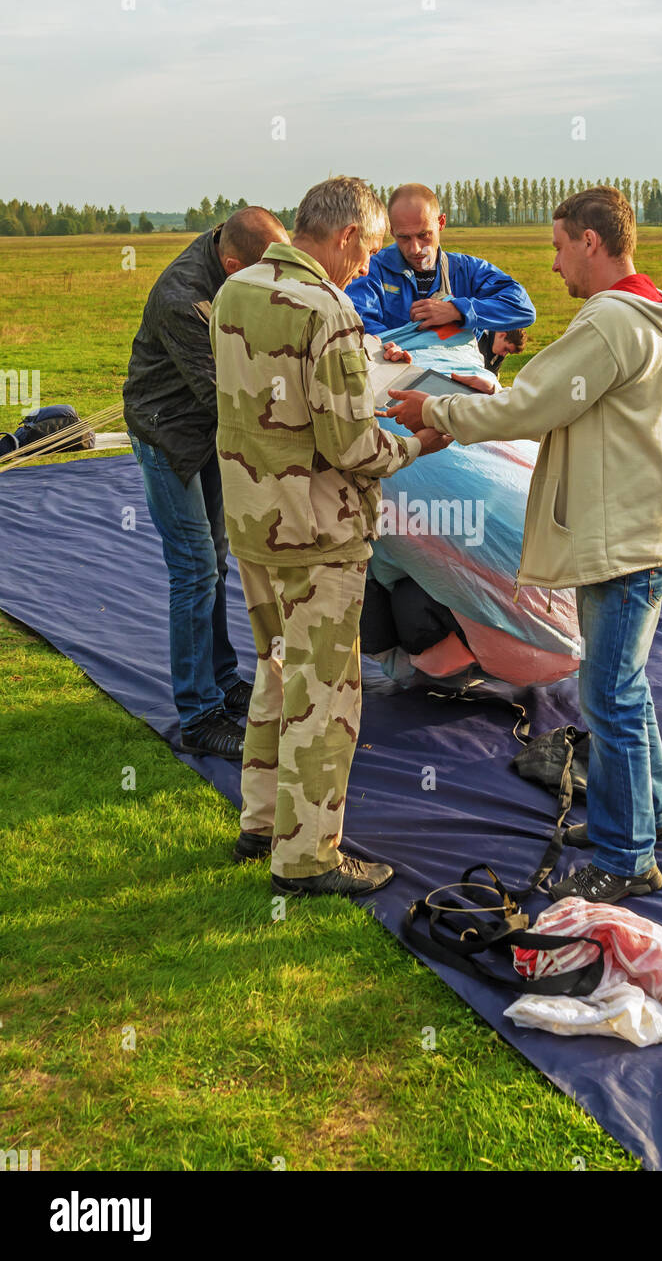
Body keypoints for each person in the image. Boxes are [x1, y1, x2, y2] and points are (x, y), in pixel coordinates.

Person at [386, 186, 662, 905]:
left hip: (627, 542)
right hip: (650, 529)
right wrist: (486, 387)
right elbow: (560, 400)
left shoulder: (610, 322)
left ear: (591, 242)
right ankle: (646, 815)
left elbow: (533, 407)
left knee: (609, 695)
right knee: (627, 684)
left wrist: (435, 409)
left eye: (558, 247)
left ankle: (626, 858)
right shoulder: (644, 319)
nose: (553, 265)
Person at [209, 176, 450, 899]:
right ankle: (308, 856)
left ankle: (261, 822)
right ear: (346, 236)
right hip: (318, 533)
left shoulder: (237, 290)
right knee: (327, 696)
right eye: (370, 249)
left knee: (275, 673)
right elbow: (352, 447)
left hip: (253, 523)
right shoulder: (330, 312)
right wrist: (419, 446)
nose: (369, 265)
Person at [123, 207, 289, 758]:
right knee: (194, 568)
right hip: (169, 434)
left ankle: (221, 679)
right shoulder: (182, 299)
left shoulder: (238, 259)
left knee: (215, 559)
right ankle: (198, 715)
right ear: (233, 263)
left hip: (207, 429)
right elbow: (227, 393)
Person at [348, 183, 535, 344]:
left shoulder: (466, 270)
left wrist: (457, 310)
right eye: (404, 237)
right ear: (391, 230)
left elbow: (523, 308)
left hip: (457, 379)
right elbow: (358, 325)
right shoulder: (370, 270)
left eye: (424, 235)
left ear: (441, 222)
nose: (415, 248)